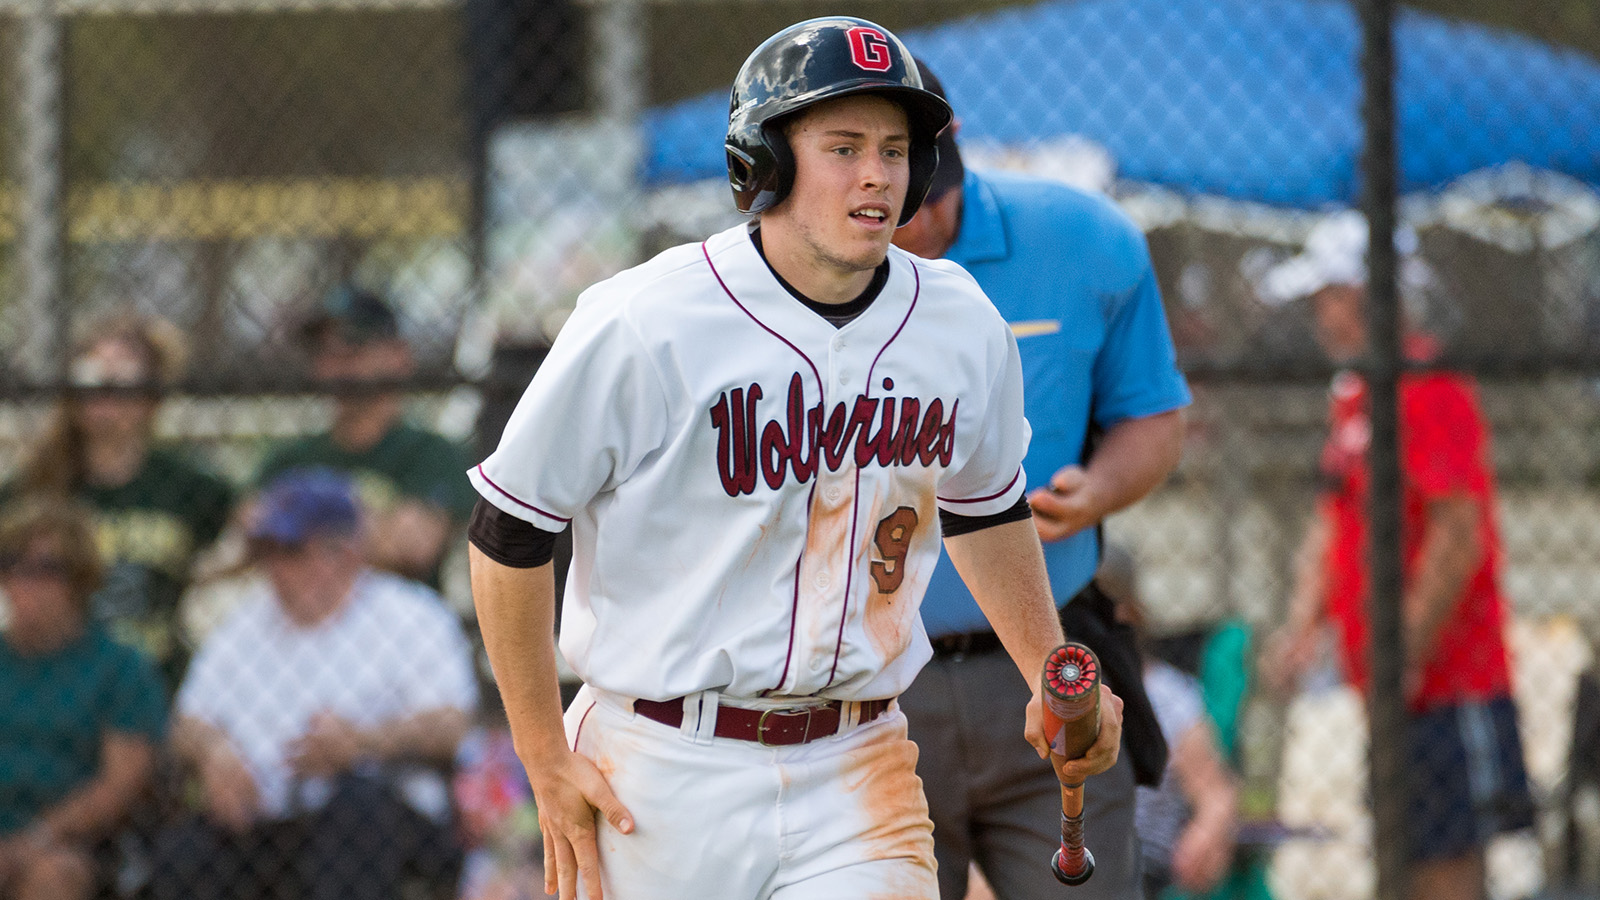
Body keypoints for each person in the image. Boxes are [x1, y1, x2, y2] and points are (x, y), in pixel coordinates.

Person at [466, 18, 1125, 900]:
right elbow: (509, 528)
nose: (877, 175)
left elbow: (984, 505)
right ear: (765, 162)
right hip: (655, 766)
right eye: (842, 146)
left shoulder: (959, 321)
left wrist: (1048, 666)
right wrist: (542, 753)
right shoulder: (644, 320)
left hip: (856, 763)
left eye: (896, 150)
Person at [890, 60, 1191, 900]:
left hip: (1048, 666)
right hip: (872, 685)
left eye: (927, 193)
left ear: (950, 151)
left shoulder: (1087, 240)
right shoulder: (807, 269)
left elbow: (1154, 415)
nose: (910, 223)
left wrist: (1099, 488)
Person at [1260, 212, 1535, 900]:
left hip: (1448, 680)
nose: (1321, 314)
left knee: (1448, 867)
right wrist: (1302, 627)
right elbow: (1332, 518)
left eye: (1329, 295)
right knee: (1401, 860)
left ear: (1365, 293)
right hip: (1385, 686)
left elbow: (1458, 532)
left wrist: (1403, 649)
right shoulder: (1355, 392)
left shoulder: (1427, 382)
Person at [150, 468, 478, 900]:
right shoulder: (246, 622)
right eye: (269, 551)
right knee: (184, 851)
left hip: (383, 817)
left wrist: (363, 743)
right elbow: (187, 721)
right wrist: (214, 753)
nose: (276, 567)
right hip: (266, 820)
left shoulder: (411, 614)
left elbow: (452, 726)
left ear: (344, 552)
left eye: (291, 551)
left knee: (355, 810)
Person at [6, 312, 235, 692]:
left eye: (121, 380)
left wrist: (204, 574)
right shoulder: (38, 483)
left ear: (151, 398)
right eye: (92, 377)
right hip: (56, 678)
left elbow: (253, 539)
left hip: (154, 676)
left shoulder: (190, 484)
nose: (104, 394)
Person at [256, 284, 478, 589]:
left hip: (399, 623)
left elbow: (411, 546)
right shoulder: (291, 456)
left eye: (352, 347)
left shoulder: (431, 452)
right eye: (322, 352)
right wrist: (370, 527)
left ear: (399, 356)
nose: (336, 364)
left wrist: (296, 528)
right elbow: (249, 533)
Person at [0, 497, 167, 900]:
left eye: (45, 570)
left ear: (81, 579)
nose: (24, 582)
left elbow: (120, 785)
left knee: (52, 877)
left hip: (73, 844)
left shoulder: (120, 667)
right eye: (10, 564)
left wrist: (33, 841)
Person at [1096, 545, 1240, 900]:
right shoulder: (1030, 693)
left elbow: (1215, 793)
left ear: (1128, 612)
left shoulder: (1166, 694)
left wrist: (1206, 832)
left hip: (1142, 867)